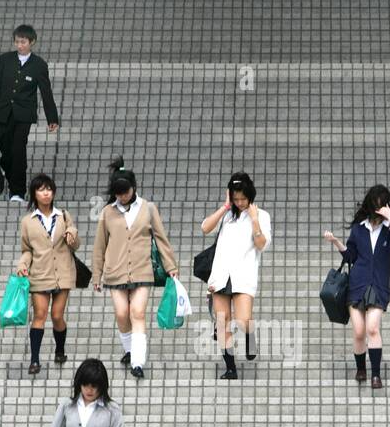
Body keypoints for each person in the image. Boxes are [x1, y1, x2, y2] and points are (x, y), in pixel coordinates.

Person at [91, 156, 179, 379]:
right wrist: (96, 275)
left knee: (137, 313)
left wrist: (171, 266)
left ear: (134, 188)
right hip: (115, 271)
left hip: (142, 269)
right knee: (122, 314)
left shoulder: (148, 208)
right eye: (118, 193)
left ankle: (138, 362)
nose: (122, 197)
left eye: (126, 192)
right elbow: (99, 245)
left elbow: (161, 238)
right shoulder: (107, 212)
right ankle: (130, 351)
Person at [323, 184, 390, 390]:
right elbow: (351, 256)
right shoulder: (359, 228)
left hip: (378, 287)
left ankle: (376, 375)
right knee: (359, 332)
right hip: (357, 285)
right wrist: (336, 242)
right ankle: (361, 368)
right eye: (376, 207)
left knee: (372, 328)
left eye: (382, 207)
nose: (378, 212)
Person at [199, 172, 271, 379]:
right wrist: (224, 207)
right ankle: (230, 368)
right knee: (222, 322)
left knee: (243, 319)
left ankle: (250, 336)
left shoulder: (262, 215)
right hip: (221, 275)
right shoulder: (228, 214)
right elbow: (205, 228)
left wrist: (255, 220)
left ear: (250, 196)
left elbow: (262, 245)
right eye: (236, 198)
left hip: (243, 276)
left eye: (243, 199)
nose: (239, 203)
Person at [0, 24, 59, 204]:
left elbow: (46, 92)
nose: (20, 45)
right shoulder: (5, 60)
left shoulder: (39, 64)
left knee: (18, 150)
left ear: (32, 42)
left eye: (23, 42)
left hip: (24, 115)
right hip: (3, 112)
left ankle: (17, 191)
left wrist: (52, 119)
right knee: (5, 147)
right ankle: (8, 174)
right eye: (17, 41)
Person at [14, 174, 79, 374]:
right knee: (40, 315)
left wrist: (72, 235)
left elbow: (75, 246)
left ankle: (59, 349)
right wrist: (22, 264)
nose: (46, 193)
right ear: (34, 193)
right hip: (39, 273)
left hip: (62, 273)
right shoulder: (27, 221)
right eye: (41, 189)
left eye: (49, 189)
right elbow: (27, 249)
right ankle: (35, 360)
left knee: (57, 315)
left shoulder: (64, 216)